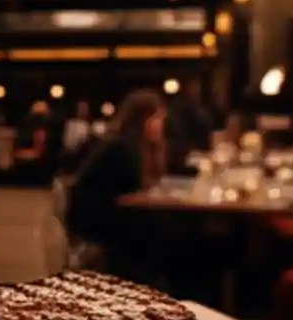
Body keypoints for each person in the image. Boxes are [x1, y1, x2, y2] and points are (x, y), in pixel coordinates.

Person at [66, 89, 168, 283]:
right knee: (167, 235)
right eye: (157, 117)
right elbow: (133, 194)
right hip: (99, 223)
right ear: (142, 119)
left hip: (106, 218)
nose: (161, 124)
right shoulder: (121, 148)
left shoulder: (131, 144)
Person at [165, 80, 214, 174]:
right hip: (185, 158)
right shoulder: (177, 110)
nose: (195, 90)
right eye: (193, 87)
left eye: (197, 87)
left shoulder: (201, 109)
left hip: (196, 154)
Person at [60, 101, 94, 174]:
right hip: (71, 154)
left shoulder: (90, 125)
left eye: (84, 108)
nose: (82, 110)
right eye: (81, 108)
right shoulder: (70, 123)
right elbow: (67, 142)